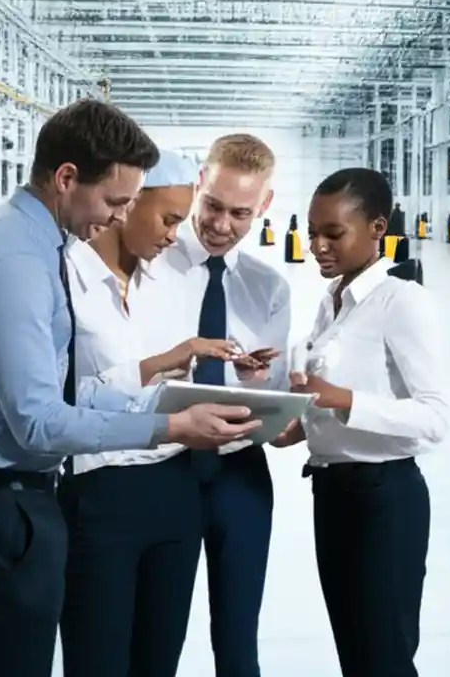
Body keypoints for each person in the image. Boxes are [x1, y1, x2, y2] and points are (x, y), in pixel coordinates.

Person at [0, 100, 262, 677]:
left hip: (34, 495)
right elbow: (38, 419)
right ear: (67, 178)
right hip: (9, 502)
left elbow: (68, 393)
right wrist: (168, 424)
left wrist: (163, 403)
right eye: (116, 201)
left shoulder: (40, 247)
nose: (118, 217)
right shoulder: (18, 258)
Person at [59, 150, 261, 677]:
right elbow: (58, 399)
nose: (178, 235)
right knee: (97, 657)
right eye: (171, 219)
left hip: (173, 484)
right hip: (100, 486)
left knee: (158, 658)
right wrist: (153, 366)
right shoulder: (66, 278)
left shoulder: (162, 282)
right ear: (127, 205)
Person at [273, 167, 449, 677]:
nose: (317, 246)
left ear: (378, 227)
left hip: (384, 500)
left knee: (383, 659)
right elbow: (327, 395)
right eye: (312, 232)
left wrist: (339, 398)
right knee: (355, 654)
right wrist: (299, 423)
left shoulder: (402, 302)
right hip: (332, 494)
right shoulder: (334, 303)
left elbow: (435, 416)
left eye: (333, 233)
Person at [133, 133, 290, 677]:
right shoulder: (151, 261)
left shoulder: (269, 287)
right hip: (163, 464)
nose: (222, 224)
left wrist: (263, 382)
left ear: (264, 206)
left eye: (241, 213)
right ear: (199, 185)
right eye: (214, 206)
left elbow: (276, 395)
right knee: (154, 639)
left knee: (239, 641)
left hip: (239, 473)